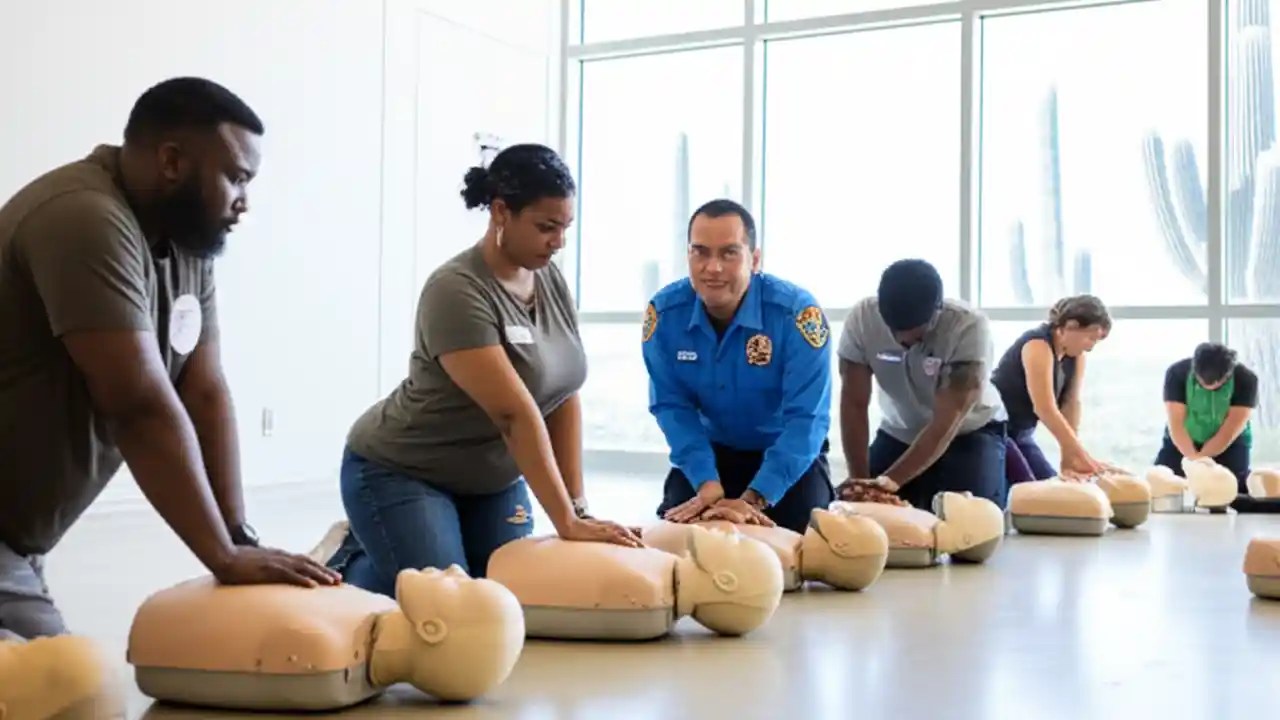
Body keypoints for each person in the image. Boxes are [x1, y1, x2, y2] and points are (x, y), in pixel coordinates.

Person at [0, 78, 339, 641]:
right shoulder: (83, 218)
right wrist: (222, 558)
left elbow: (203, 390)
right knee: (67, 692)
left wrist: (238, 539)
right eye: (236, 177)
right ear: (173, 161)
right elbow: (138, 406)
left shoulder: (185, 246)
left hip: (19, 543)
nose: (244, 201)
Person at [322, 144, 642, 598]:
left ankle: (387, 549)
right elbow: (514, 413)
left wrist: (579, 509)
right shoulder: (456, 289)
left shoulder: (548, 277)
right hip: (403, 469)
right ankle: (348, 559)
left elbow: (562, 394)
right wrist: (565, 524)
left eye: (565, 227)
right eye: (546, 227)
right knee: (454, 600)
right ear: (500, 213)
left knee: (511, 592)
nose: (559, 241)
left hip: (492, 481)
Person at [643, 199, 834, 534]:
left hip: (785, 456)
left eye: (729, 253)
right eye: (700, 252)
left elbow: (807, 420)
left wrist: (755, 498)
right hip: (712, 455)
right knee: (677, 535)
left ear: (754, 259)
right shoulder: (665, 315)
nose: (712, 267)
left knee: (801, 538)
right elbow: (673, 407)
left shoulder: (795, 315)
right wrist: (705, 480)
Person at [835, 259, 1010, 510]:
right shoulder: (862, 320)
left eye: (915, 333)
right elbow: (854, 404)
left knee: (968, 523)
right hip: (901, 431)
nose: (902, 339)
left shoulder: (968, 326)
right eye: (894, 330)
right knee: (861, 511)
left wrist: (889, 482)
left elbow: (946, 422)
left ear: (937, 310)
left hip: (968, 431)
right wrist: (861, 484)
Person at [991, 295, 1112, 484]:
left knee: (1053, 484)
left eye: (1095, 341)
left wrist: (1069, 458)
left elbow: (1070, 403)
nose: (1090, 347)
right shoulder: (1037, 345)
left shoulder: (1075, 355)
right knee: (1033, 490)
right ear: (1069, 327)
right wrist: (1082, 455)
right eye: (1090, 337)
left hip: (1022, 434)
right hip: (996, 431)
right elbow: (1045, 408)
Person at [1155, 342, 1257, 492]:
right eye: (1203, 381)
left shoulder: (1246, 379)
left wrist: (1203, 460)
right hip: (1182, 439)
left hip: (1229, 442)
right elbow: (1176, 424)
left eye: (1218, 382)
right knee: (1161, 484)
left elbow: (1229, 430)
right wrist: (1194, 460)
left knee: (1232, 488)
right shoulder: (1177, 373)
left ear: (1228, 373)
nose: (1211, 385)